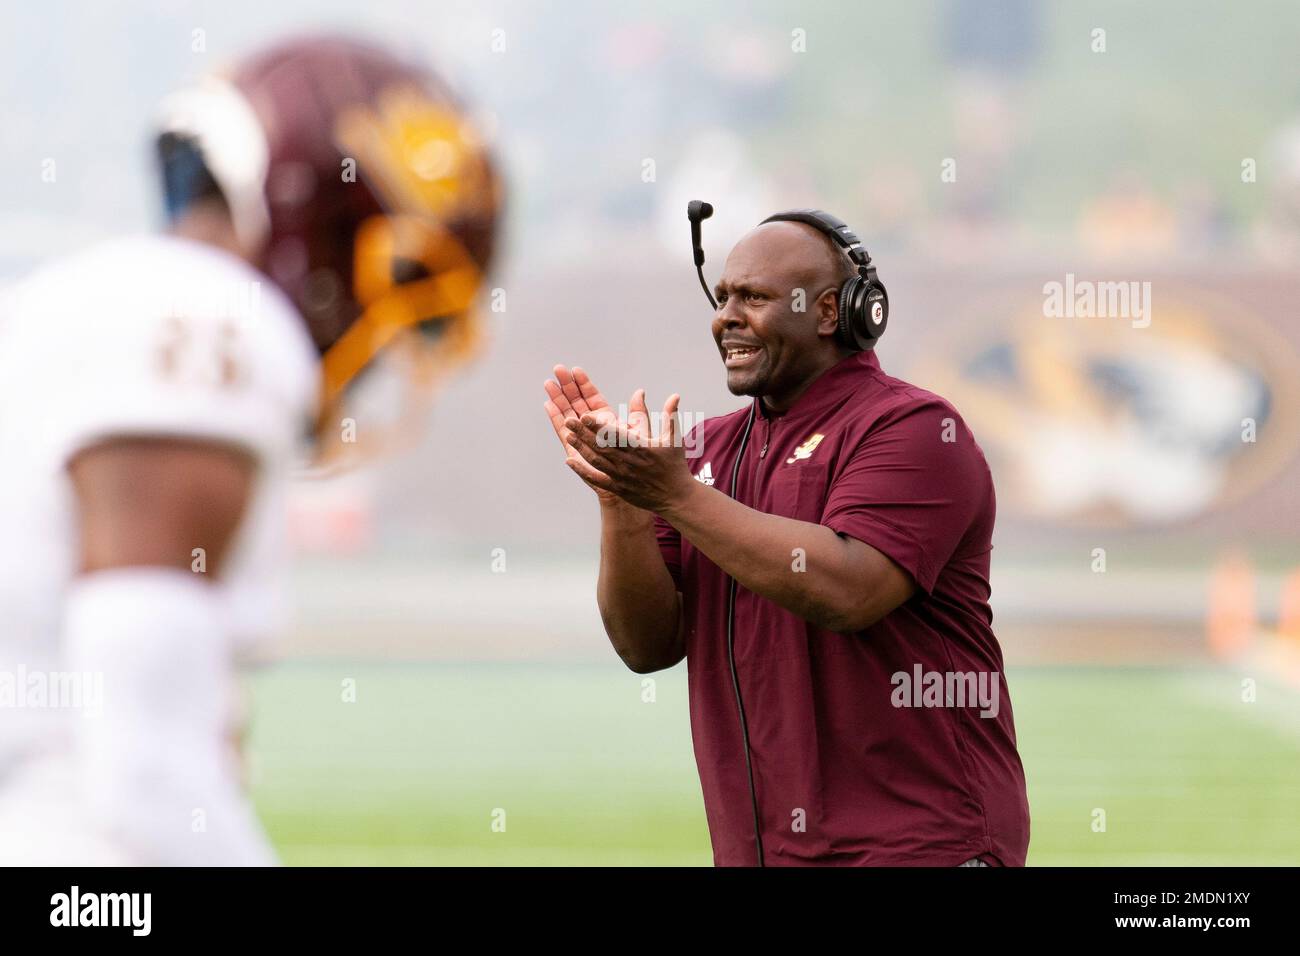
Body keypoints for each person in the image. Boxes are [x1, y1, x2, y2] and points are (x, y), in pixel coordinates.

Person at [0, 36, 501, 865]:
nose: (378, 349)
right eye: (397, 285)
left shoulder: (78, 302)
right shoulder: (207, 321)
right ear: (331, 227)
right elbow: (145, 779)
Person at [543, 215, 1029, 866]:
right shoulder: (704, 450)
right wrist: (623, 504)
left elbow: (849, 588)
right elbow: (646, 645)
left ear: (832, 311)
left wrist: (674, 495)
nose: (727, 318)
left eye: (754, 297)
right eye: (721, 298)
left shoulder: (914, 428)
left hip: (920, 847)